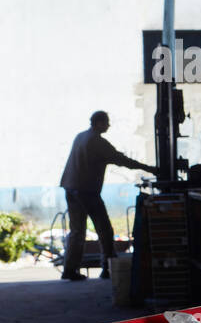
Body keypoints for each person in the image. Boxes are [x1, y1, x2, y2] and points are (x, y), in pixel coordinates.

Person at [58, 111, 158, 281]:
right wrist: (151, 169)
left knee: (77, 230)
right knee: (104, 229)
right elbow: (121, 159)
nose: (109, 126)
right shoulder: (97, 142)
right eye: (106, 123)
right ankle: (108, 268)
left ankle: (69, 270)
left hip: (70, 188)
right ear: (98, 123)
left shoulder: (80, 136)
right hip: (86, 190)